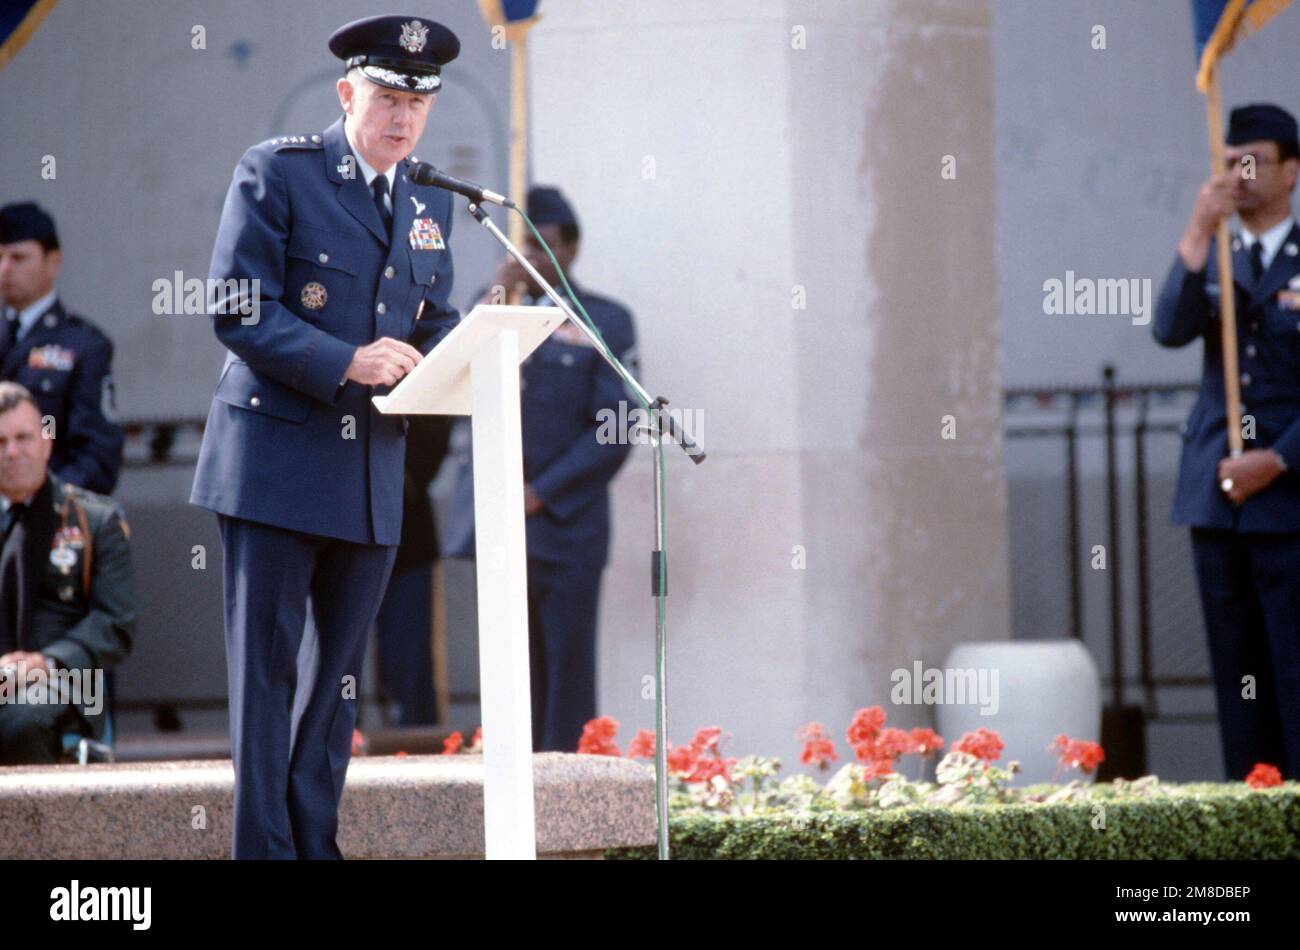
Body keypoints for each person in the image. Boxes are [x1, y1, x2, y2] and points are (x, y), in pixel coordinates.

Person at [188, 14, 461, 858]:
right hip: (274, 461)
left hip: (369, 473)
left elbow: (436, 315)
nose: (402, 118)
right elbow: (236, 308)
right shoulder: (281, 173)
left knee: (337, 685)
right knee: (267, 678)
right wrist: (347, 360)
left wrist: (444, 355)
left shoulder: (432, 199)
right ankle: (262, 850)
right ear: (348, 94)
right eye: (386, 96)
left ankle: (316, 842)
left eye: (418, 102)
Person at [444, 186, 638, 752]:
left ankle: (565, 814)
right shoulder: (491, 308)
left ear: (572, 249)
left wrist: (539, 493)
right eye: (525, 244)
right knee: (506, 679)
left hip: (564, 527)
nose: (534, 255)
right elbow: (453, 374)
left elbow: (615, 428)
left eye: (546, 245)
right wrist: (501, 291)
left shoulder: (604, 319)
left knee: (566, 680)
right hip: (496, 525)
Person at [1153, 102, 1300, 781]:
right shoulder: (1214, 252)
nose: (1239, 175)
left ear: (1291, 171)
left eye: (1255, 161)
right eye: (1229, 161)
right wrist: (1195, 228)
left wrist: (1277, 459)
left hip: (1288, 497)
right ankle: (1252, 814)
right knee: (1236, 675)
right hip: (1218, 499)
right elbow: (1168, 330)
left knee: (1293, 669)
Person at [0, 381, 134, 764]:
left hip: (71, 680)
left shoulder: (97, 520)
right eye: (0, 441)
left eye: (23, 438)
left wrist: (44, 663)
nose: (12, 452)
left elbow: (116, 624)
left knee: (22, 721)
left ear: (46, 441)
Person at [0, 202, 124, 494]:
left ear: (52, 262)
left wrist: (39, 501)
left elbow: (97, 457)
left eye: (18, 257)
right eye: (0, 257)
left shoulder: (84, 345)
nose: (5, 269)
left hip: (45, 515)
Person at [373, 413, 453, 726]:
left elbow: (437, 418)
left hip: (406, 533)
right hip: (333, 526)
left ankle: (415, 742)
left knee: (409, 657)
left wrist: (401, 474)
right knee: (330, 661)